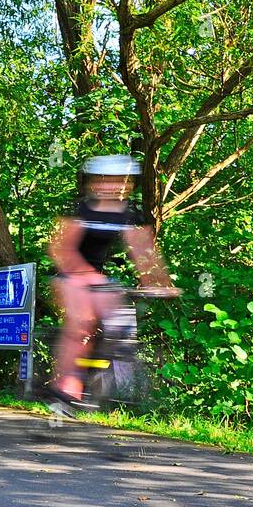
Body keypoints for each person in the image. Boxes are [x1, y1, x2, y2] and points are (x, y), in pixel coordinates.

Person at [47, 154, 180, 411]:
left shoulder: (129, 213)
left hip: (97, 280)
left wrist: (157, 281)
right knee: (82, 323)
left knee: (119, 323)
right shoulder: (82, 210)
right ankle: (65, 388)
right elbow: (61, 250)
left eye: (120, 181)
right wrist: (85, 275)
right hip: (69, 274)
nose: (114, 186)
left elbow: (143, 251)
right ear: (94, 183)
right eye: (107, 180)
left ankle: (100, 383)